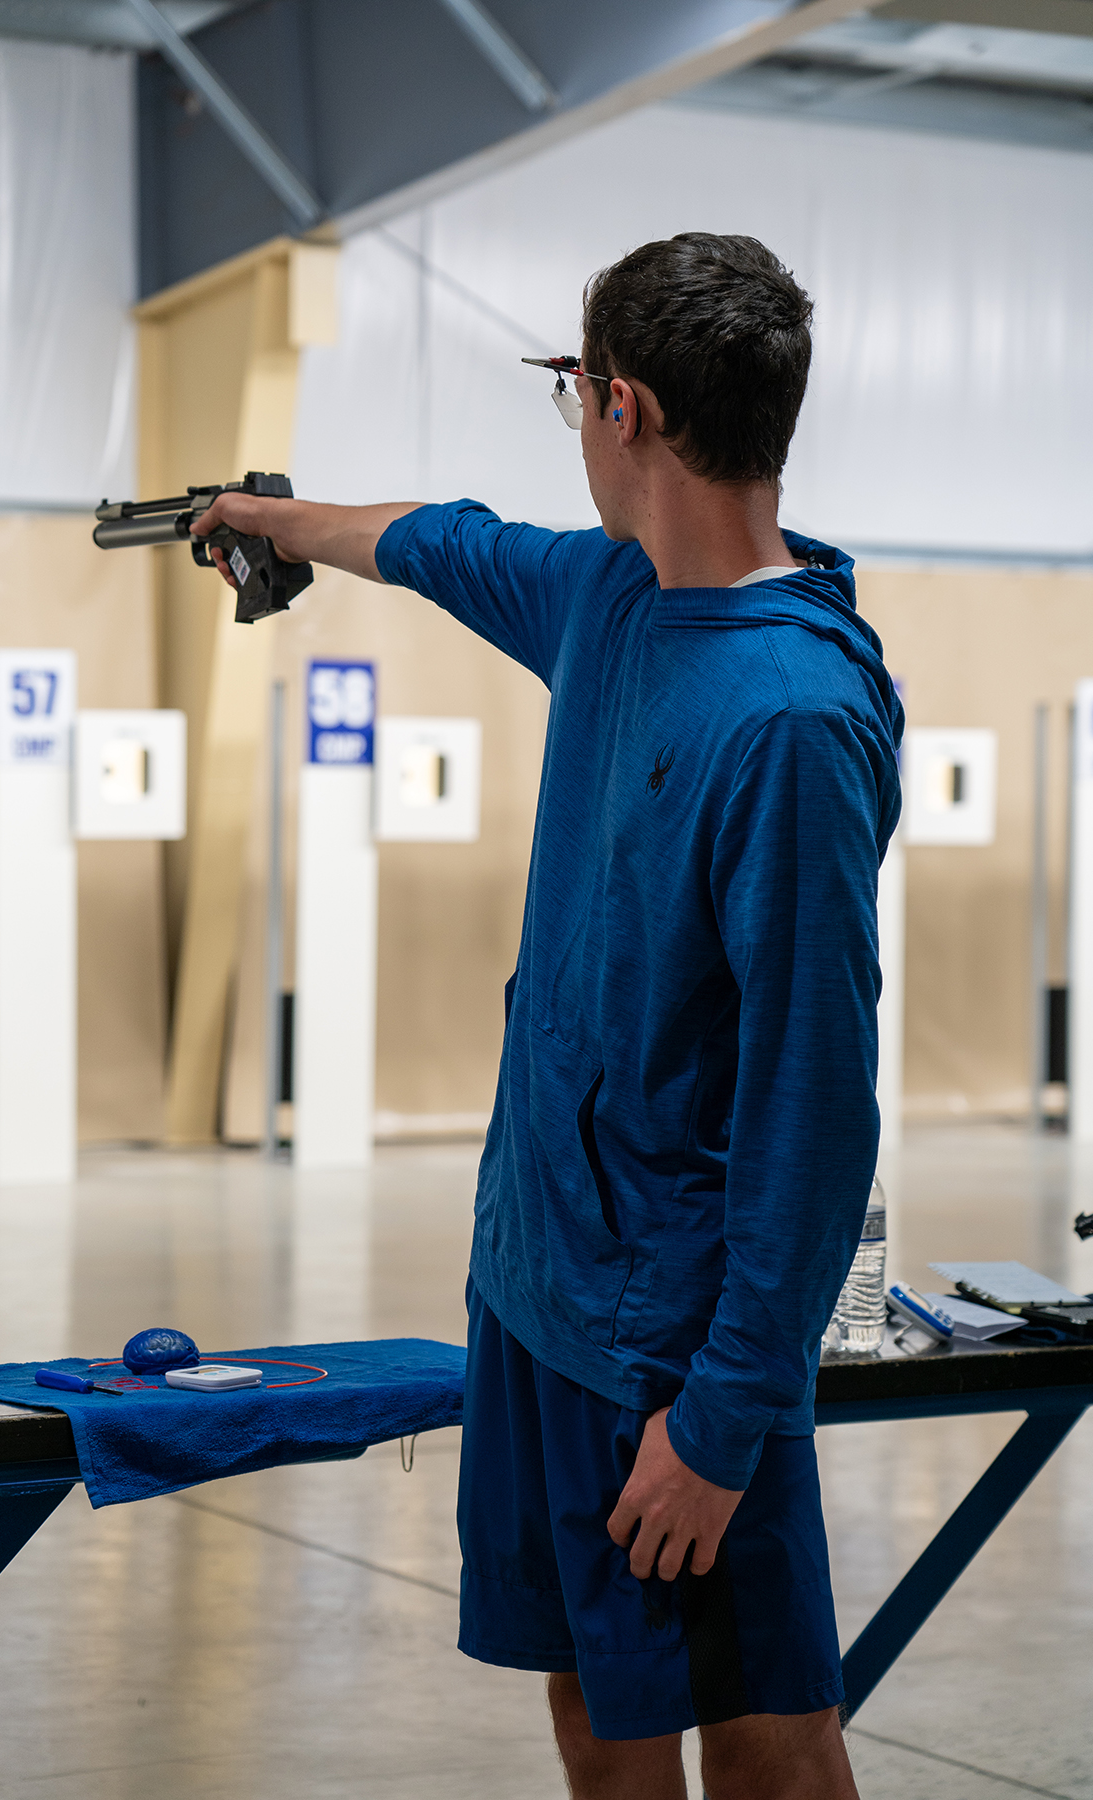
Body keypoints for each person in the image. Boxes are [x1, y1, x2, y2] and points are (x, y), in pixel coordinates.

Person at [194, 232, 902, 1800]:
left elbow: (816, 1101)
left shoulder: (787, 719)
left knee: (767, 1738)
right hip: (540, 1281)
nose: (572, 423)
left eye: (572, 392)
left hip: (673, 1334)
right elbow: (441, 541)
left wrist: (722, 1422)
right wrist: (263, 519)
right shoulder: (610, 593)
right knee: (598, 1711)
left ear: (624, 408)